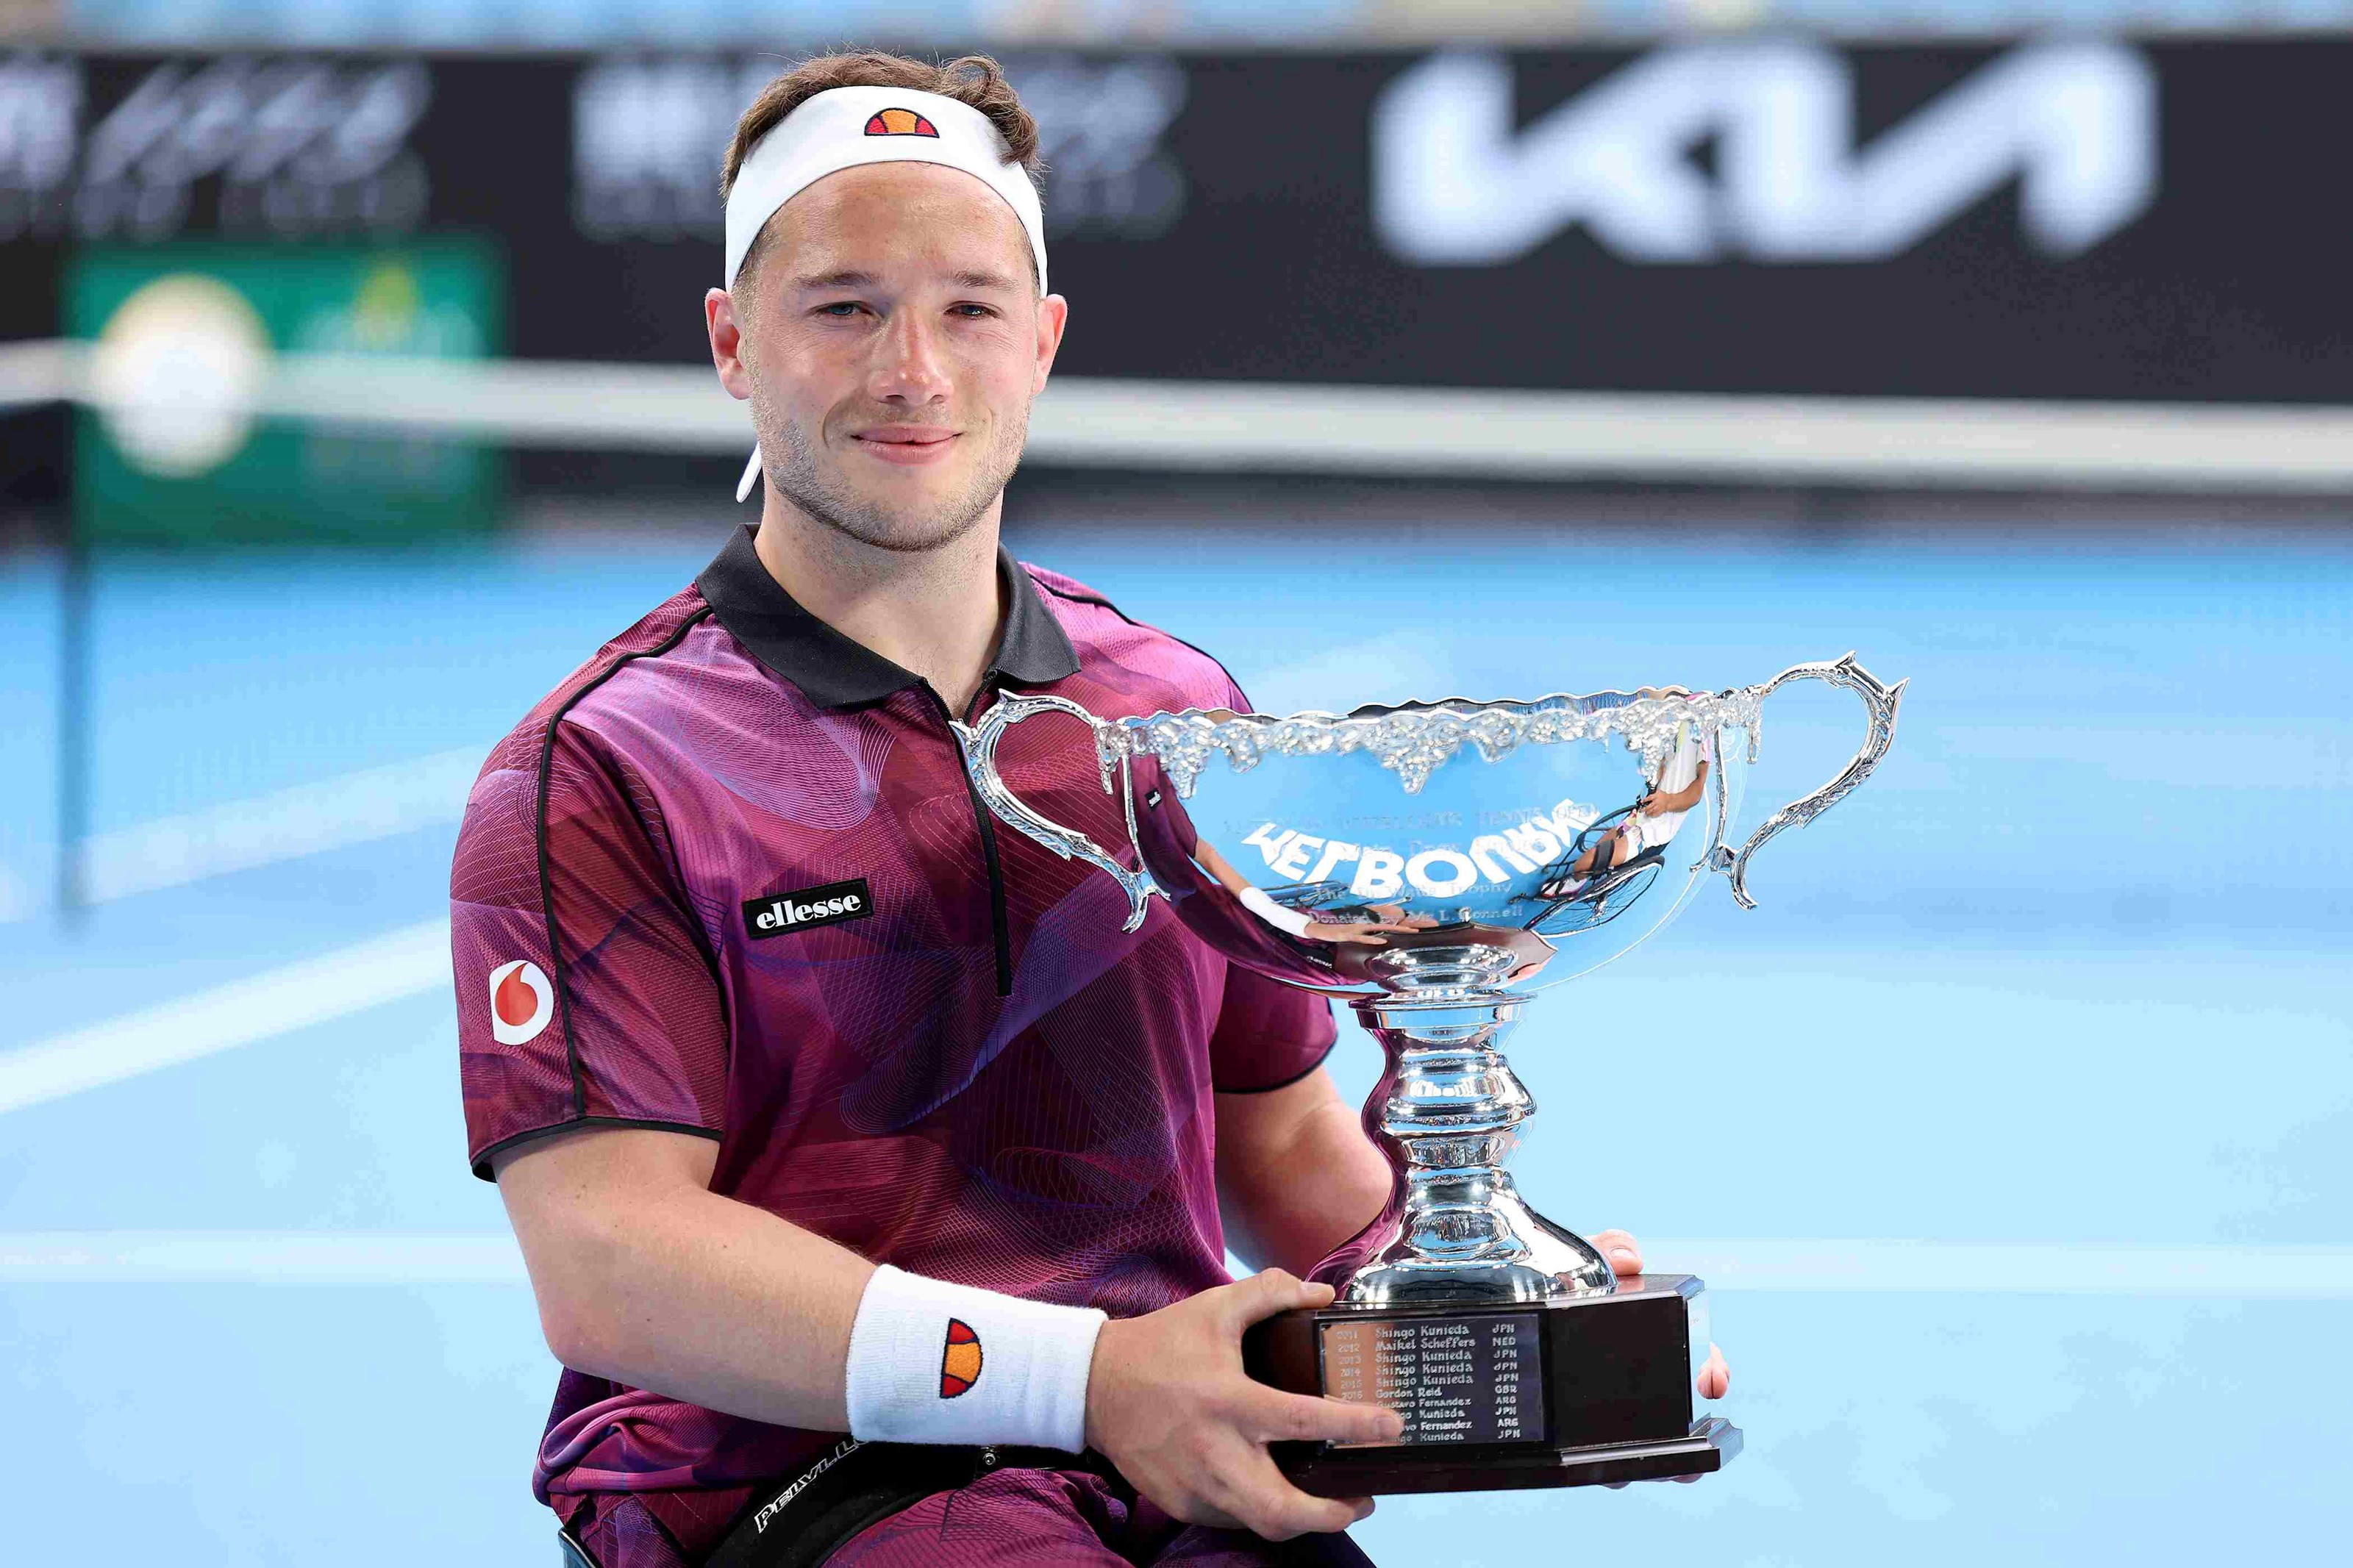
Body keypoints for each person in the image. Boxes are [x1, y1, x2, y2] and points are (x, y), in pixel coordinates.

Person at [452, 52, 1721, 1568]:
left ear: (1042, 341)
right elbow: (611, 1263)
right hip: (790, 1490)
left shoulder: (1171, 715)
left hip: (1174, 1452)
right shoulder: (603, 765)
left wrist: (1480, 1311)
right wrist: (1093, 1379)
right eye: (843, 304)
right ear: (733, 341)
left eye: (970, 307)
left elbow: (1280, 1134)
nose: (913, 368)